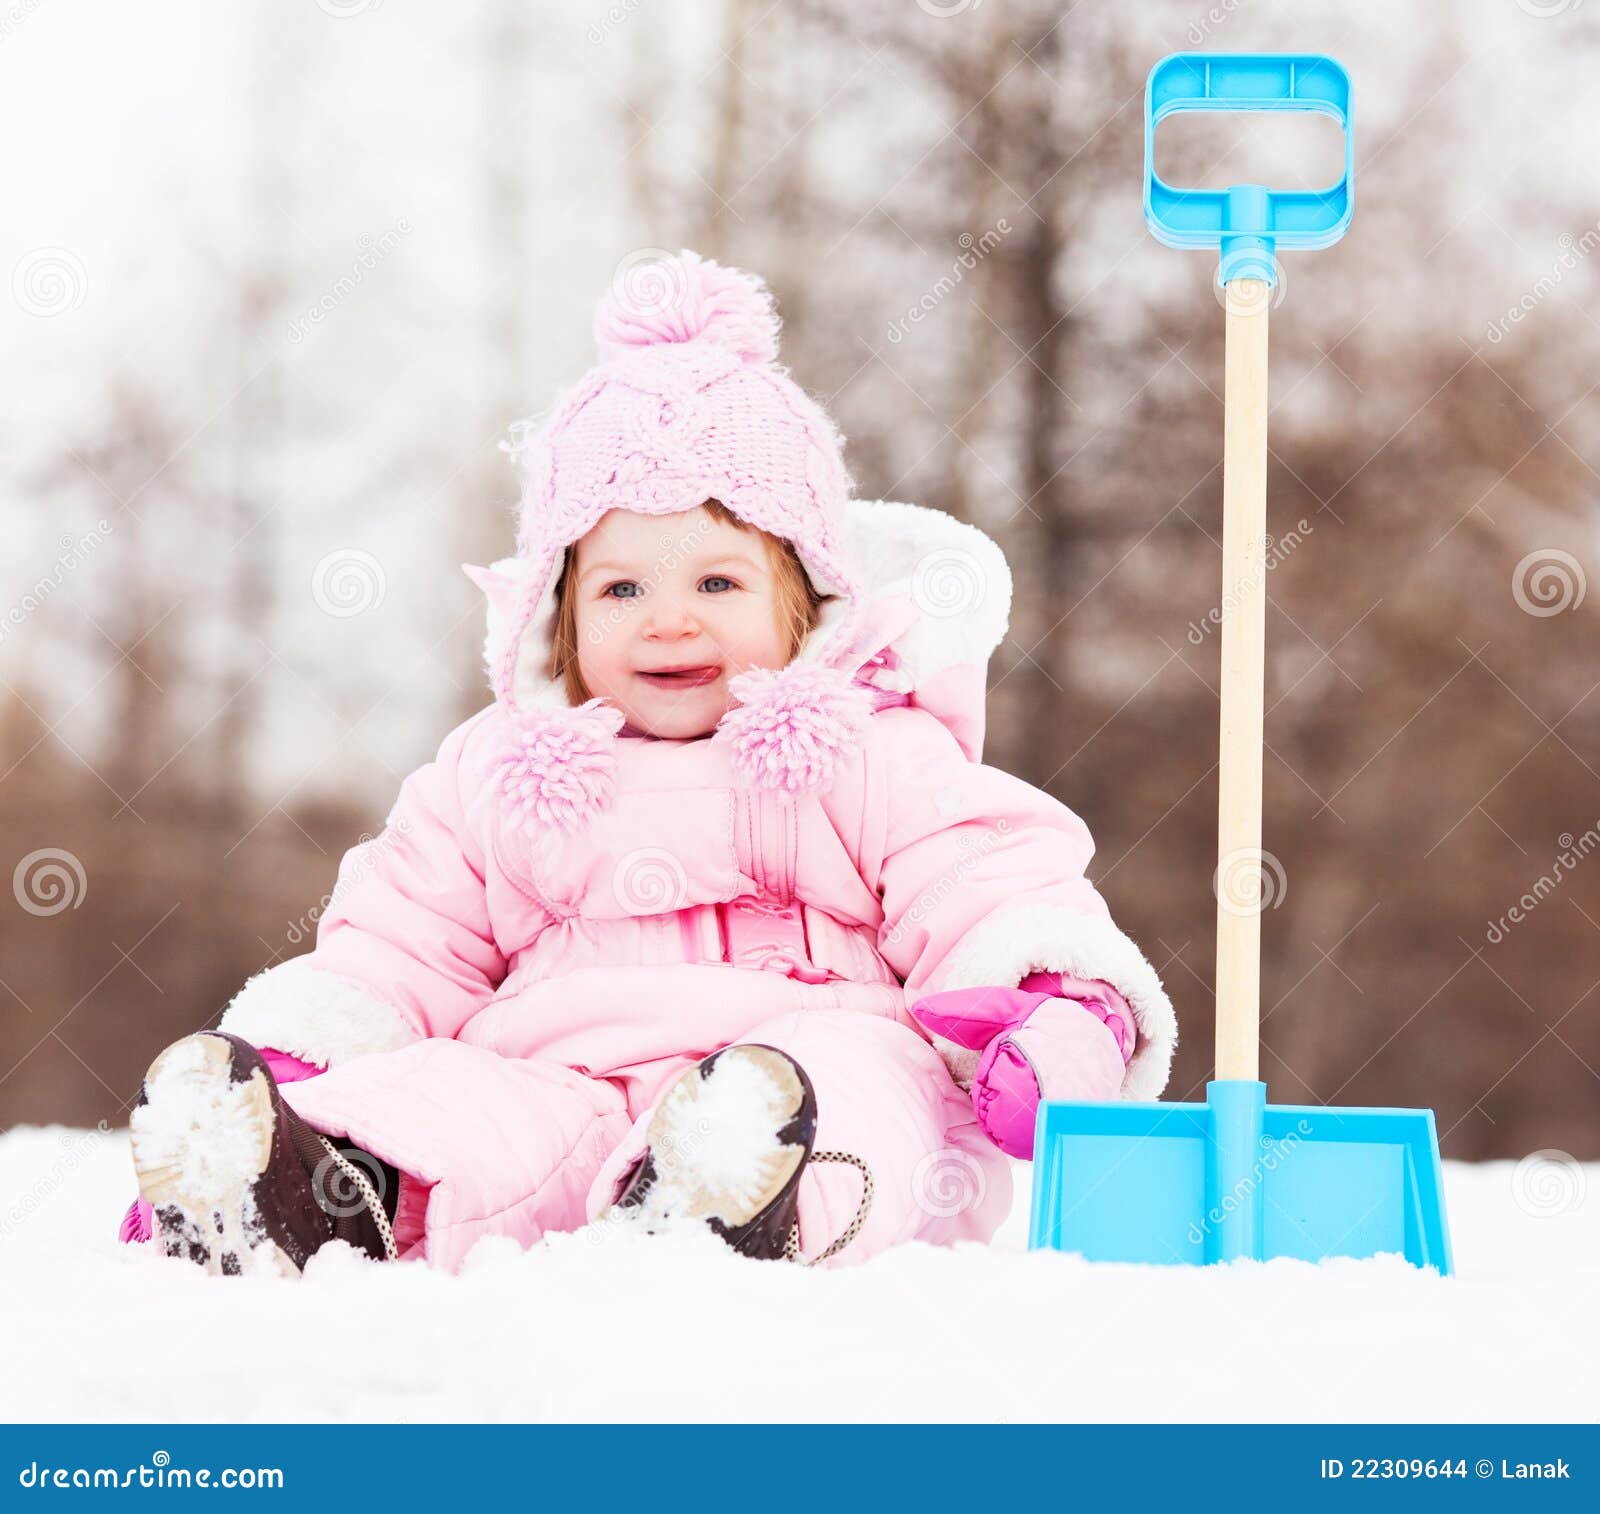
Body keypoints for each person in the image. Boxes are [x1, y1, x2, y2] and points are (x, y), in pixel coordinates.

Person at [120, 249, 1176, 1277]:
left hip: (804, 1063)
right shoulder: (498, 773)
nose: (668, 621)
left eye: (717, 582)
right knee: (456, 1103)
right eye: (621, 590)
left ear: (801, 597)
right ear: (557, 616)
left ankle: (733, 1193)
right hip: (558, 1083)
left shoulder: (867, 750)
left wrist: (1058, 1004)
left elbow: (984, 879)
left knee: (863, 1082)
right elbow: (401, 945)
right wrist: (309, 1062)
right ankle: (296, 1186)